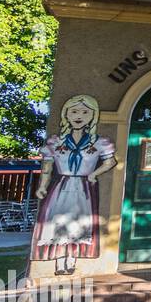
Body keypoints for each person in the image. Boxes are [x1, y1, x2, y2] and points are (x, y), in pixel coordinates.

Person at [32, 94, 116, 275]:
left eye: (85, 112)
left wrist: (94, 174)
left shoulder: (99, 143)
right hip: (61, 186)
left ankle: (71, 260)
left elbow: (111, 162)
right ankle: (59, 263)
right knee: (58, 222)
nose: (79, 116)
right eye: (74, 111)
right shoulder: (56, 142)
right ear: (66, 115)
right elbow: (47, 167)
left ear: (93, 116)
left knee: (80, 223)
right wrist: (42, 186)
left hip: (83, 188)